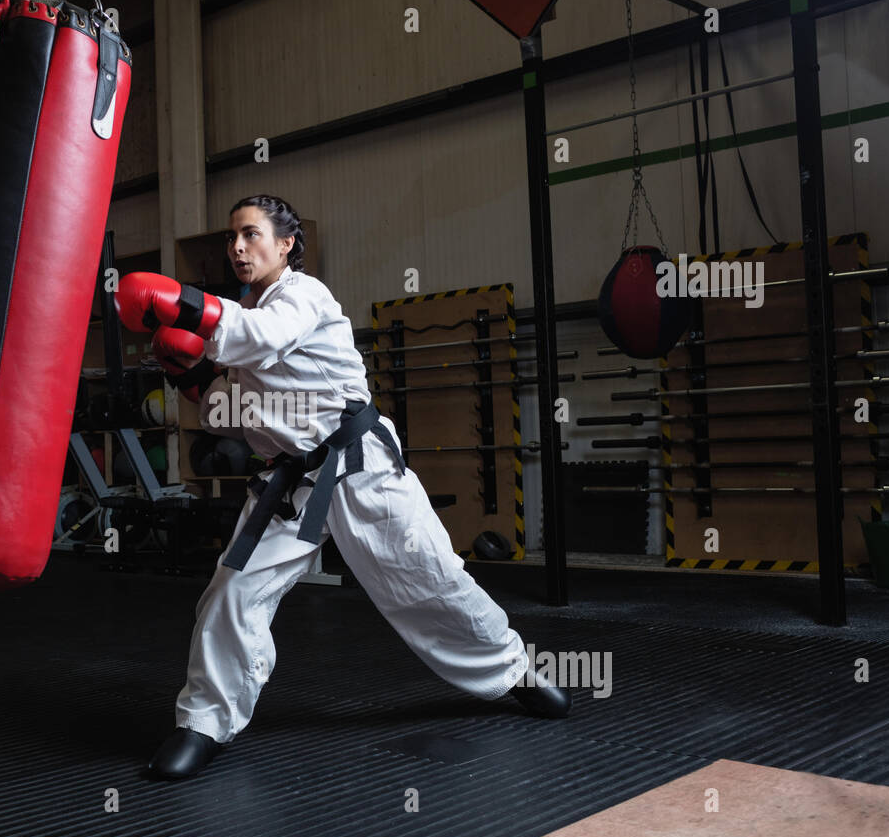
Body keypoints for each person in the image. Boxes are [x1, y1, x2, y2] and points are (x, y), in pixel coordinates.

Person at [115, 194, 571, 781]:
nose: (237, 248)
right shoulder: (249, 314)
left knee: (432, 582)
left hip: (361, 472)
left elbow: (261, 336)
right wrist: (195, 379)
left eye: (251, 235)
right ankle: (204, 722)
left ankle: (512, 673)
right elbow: (239, 411)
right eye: (232, 238)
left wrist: (182, 304)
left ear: (285, 245)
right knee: (230, 594)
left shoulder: (303, 297)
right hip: (288, 483)